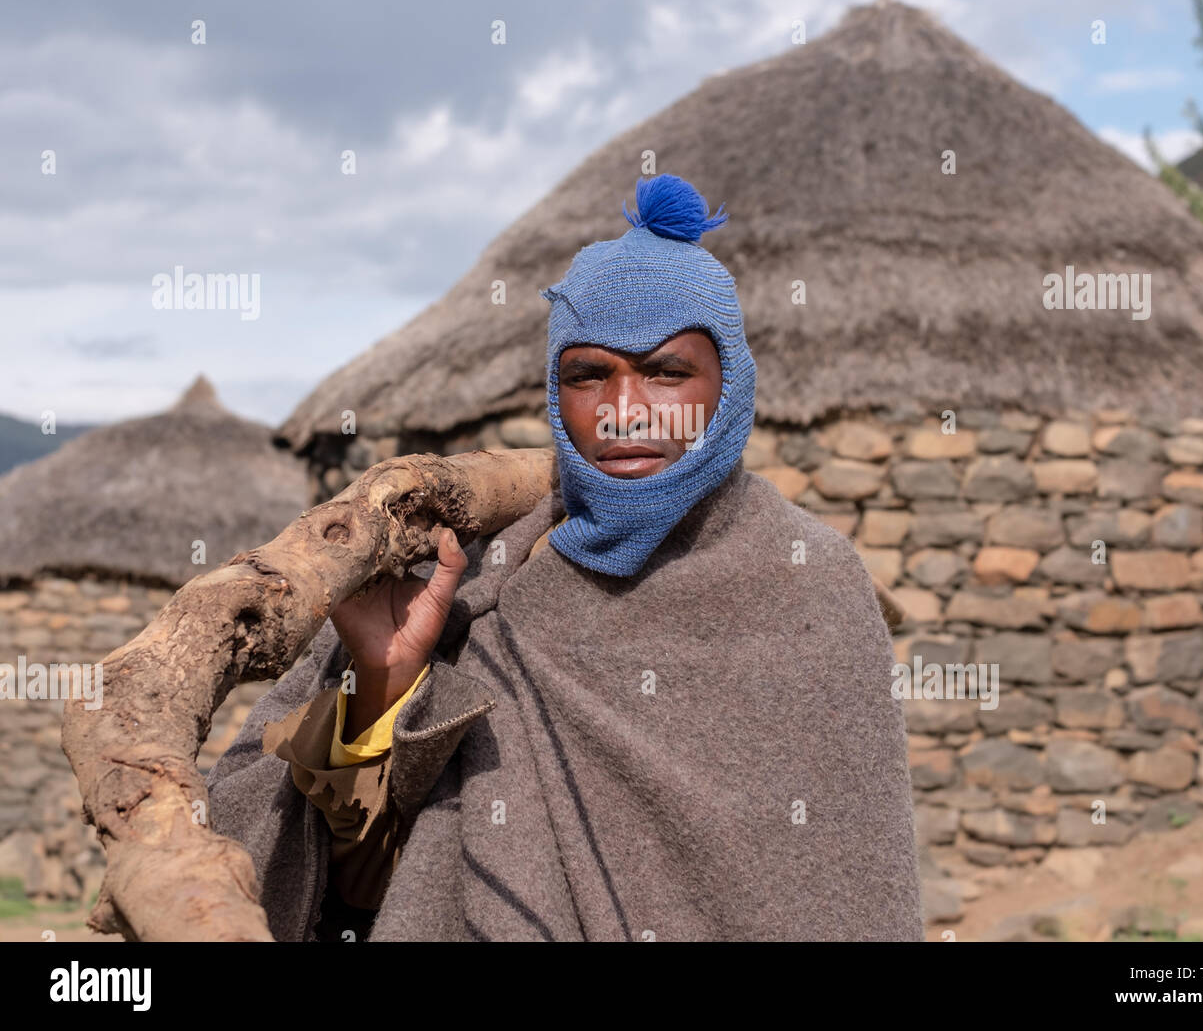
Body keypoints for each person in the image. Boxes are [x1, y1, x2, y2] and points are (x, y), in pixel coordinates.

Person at [207, 172, 923, 941]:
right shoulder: (467, 582)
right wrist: (386, 682)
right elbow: (353, 882)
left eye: (667, 372)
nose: (623, 406)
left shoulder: (810, 586)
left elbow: (852, 893)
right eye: (589, 375)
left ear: (730, 387)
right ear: (557, 395)